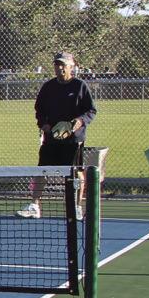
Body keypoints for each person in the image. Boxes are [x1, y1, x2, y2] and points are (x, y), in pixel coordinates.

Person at [16, 51, 97, 218]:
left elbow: (91, 110)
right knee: (42, 171)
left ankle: (76, 207)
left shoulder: (80, 86)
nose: (59, 68)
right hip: (51, 139)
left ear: (71, 67)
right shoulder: (48, 87)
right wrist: (43, 124)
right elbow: (39, 110)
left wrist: (79, 122)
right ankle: (35, 206)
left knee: (75, 172)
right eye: (57, 64)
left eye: (63, 65)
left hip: (74, 140)